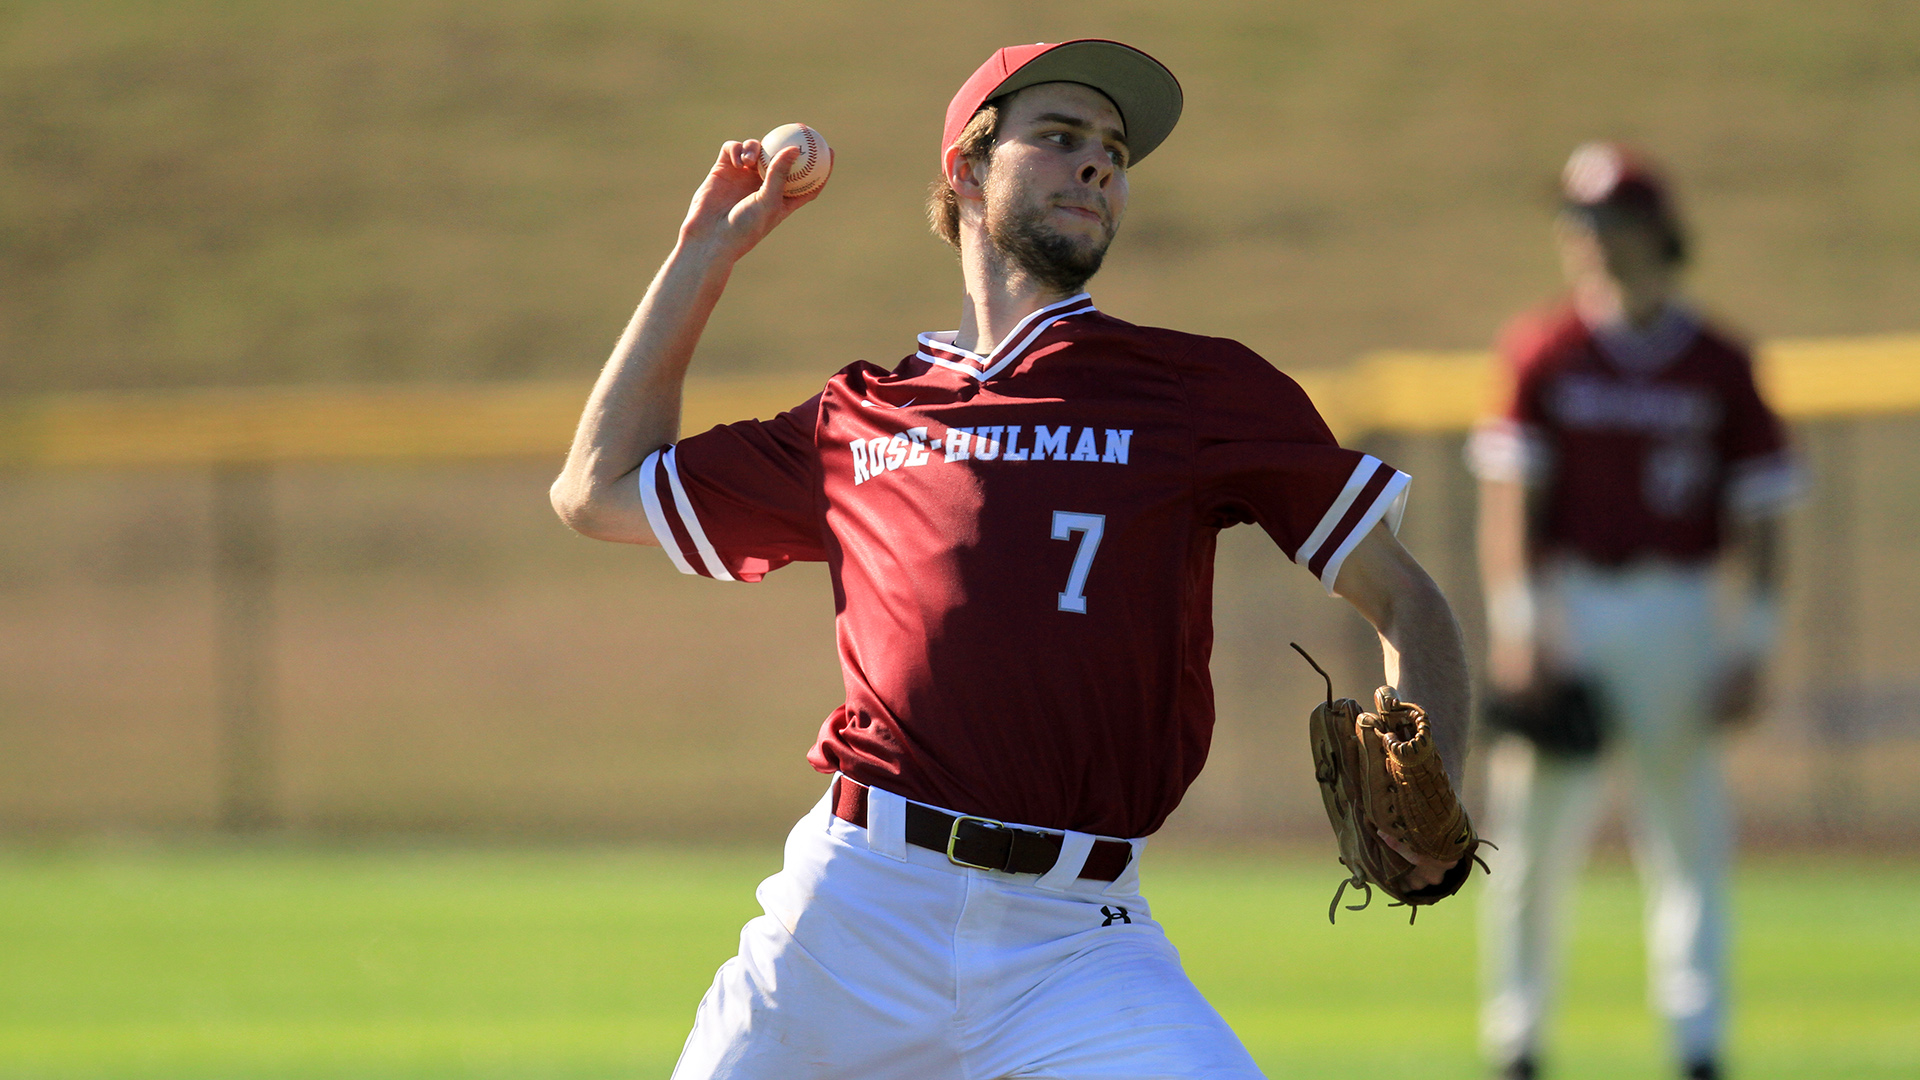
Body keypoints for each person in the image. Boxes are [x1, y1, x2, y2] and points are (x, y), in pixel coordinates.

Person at [552, 39, 1472, 1080]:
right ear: (965, 171)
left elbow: (1404, 596)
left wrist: (1436, 769)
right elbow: (598, 489)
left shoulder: (1191, 390)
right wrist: (704, 252)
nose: (1098, 166)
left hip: (1078, 945)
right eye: (1060, 137)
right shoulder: (859, 420)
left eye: (1113, 152)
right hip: (853, 921)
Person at [1469, 143, 1801, 1080]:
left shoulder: (1719, 363)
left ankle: (1697, 1044)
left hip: (1679, 609)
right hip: (1571, 602)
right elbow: (1511, 503)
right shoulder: (1546, 349)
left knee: (1688, 837)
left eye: (1606, 222)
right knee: (1530, 840)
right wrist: (1521, 629)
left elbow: (1766, 511)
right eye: (1576, 224)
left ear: (1656, 231)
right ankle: (1517, 1041)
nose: (1588, 242)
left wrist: (1754, 643)